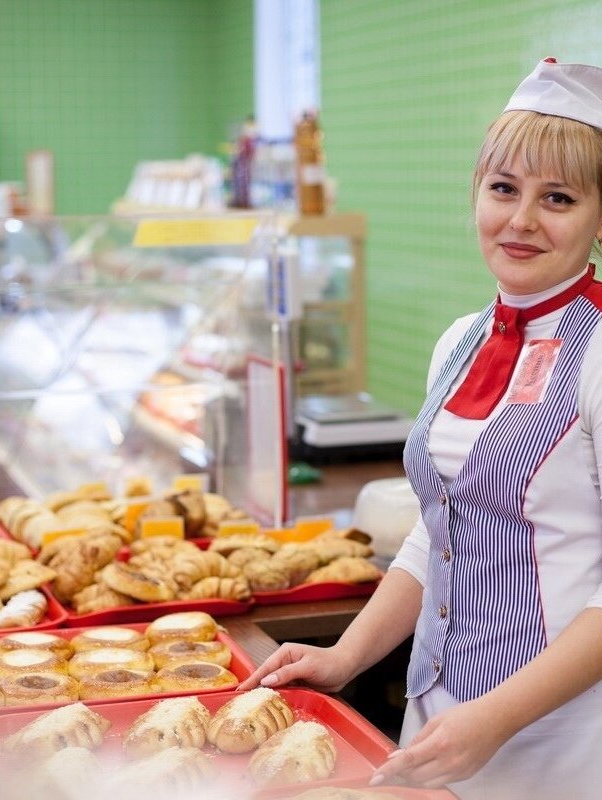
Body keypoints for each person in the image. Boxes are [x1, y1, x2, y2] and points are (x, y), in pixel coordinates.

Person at [240, 57, 602, 800]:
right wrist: (345, 657)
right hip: (437, 722)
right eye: (503, 188)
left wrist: (495, 718)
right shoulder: (458, 341)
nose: (521, 219)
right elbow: (435, 535)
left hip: (565, 744)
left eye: (558, 198)